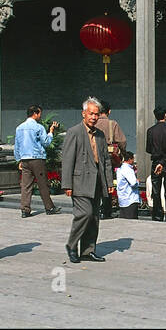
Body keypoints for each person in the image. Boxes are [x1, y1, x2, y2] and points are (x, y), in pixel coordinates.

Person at [60, 98, 111, 263]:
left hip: (97, 181)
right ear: (84, 114)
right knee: (85, 213)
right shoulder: (74, 132)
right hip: (80, 181)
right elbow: (67, 160)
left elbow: (106, 160)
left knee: (94, 217)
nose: (94, 117)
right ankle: (72, 245)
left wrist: (109, 182)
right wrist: (67, 184)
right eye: (91, 114)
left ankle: (88, 251)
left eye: (96, 114)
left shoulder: (101, 135)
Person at [14, 105, 60, 218]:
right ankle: (49, 207)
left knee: (25, 185)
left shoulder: (19, 128)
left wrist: (18, 159)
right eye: (39, 113)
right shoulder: (38, 127)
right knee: (42, 183)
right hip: (37, 158)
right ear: (35, 113)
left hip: (24, 159)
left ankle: (25, 209)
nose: (40, 116)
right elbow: (46, 142)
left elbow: (17, 145)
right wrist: (51, 132)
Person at [145, 105, 166, 223]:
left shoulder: (150, 131)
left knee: (156, 190)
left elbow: (148, 149)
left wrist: (159, 161)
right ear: (165, 115)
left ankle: (157, 216)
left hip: (156, 162)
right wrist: (163, 162)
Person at [96, 100, 126, 219]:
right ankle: (106, 210)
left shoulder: (93, 123)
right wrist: (123, 153)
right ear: (109, 111)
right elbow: (122, 141)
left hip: (94, 156)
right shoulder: (112, 124)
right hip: (109, 157)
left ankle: (95, 209)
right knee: (108, 182)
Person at [115, 150, 140, 219]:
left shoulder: (120, 169)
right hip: (130, 199)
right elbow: (133, 183)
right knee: (132, 222)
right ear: (129, 159)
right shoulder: (128, 169)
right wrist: (137, 182)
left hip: (122, 200)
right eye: (133, 159)